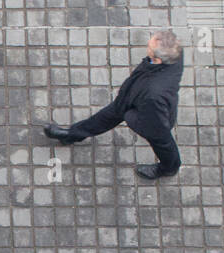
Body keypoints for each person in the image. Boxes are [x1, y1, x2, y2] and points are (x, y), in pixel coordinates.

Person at [43, 30, 185, 180]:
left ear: (157, 60)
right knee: (107, 116)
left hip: (151, 115)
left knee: (161, 142)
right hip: (135, 96)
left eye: (149, 47)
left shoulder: (154, 94)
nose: (146, 47)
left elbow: (156, 126)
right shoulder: (174, 54)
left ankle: (169, 168)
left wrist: (129, 116)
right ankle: (72, 134)